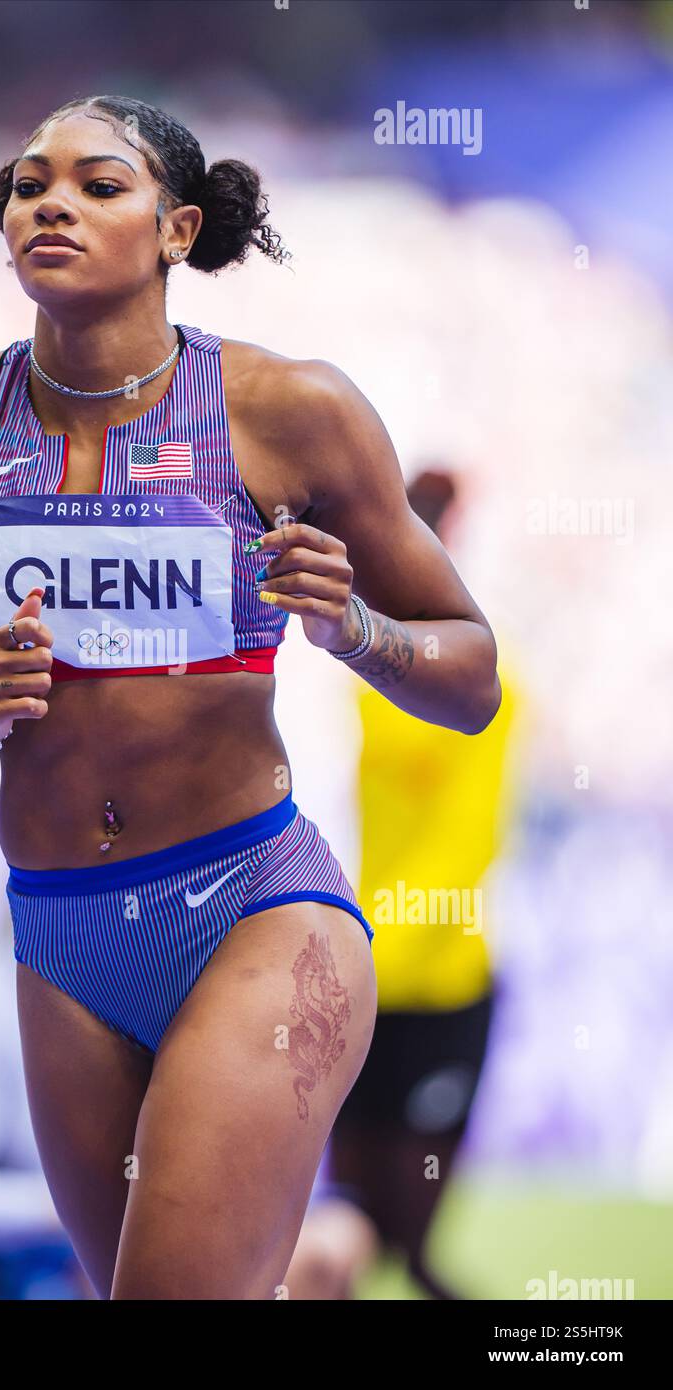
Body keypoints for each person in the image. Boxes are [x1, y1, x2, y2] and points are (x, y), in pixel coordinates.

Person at [0, 95, 501, 1301]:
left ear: (176, 227)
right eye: (28, 181)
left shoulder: (290, 411)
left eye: (100, 184)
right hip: (60, 940)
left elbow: (472, 677)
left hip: (255, 911)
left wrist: (351, 627)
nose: (52, 201)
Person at [284, 468, 524, 1300]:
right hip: (374, 982)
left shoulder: (486, 686)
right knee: (352, 1234)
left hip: (435, 985)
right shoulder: (375, 684)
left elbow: (467, 849)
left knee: (396, 1241)